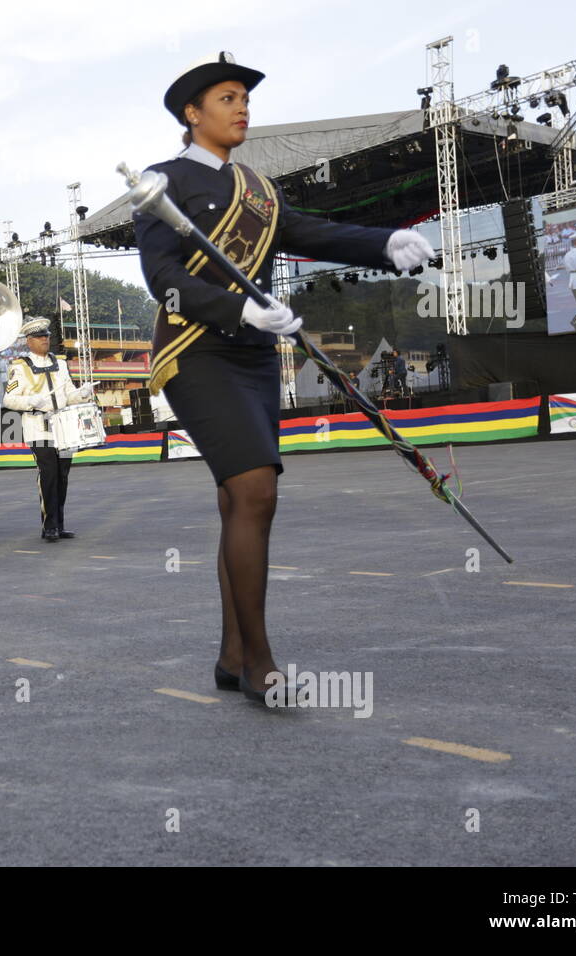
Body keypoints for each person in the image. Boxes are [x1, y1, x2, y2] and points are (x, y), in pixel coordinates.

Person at [133, 52, 432, 704]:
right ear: (192, 112)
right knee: (257, 490)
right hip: (198, 351)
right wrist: (237, 305)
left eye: (245, 98)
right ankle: (261, 662)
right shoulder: (165, 181)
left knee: (239, 501)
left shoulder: (261, 193)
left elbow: (311, 232)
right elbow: (165, 282)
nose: (243, 107)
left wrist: (382, 244)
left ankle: (231, 652)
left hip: (254, 357)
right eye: (228, 97)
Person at [2, 319, 93, 541]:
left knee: (62, 476)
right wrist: (32, 401)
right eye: (40, 337)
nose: (45, 339)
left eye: (47, 336)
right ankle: (49, 525)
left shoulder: (60, 363)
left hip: (64, 427)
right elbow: (9, 399)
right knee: (49, 475)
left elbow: (68, 394)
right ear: (29, 342)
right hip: (38, 427)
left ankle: (59, 524)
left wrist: (81, 394)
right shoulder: (20, 367)